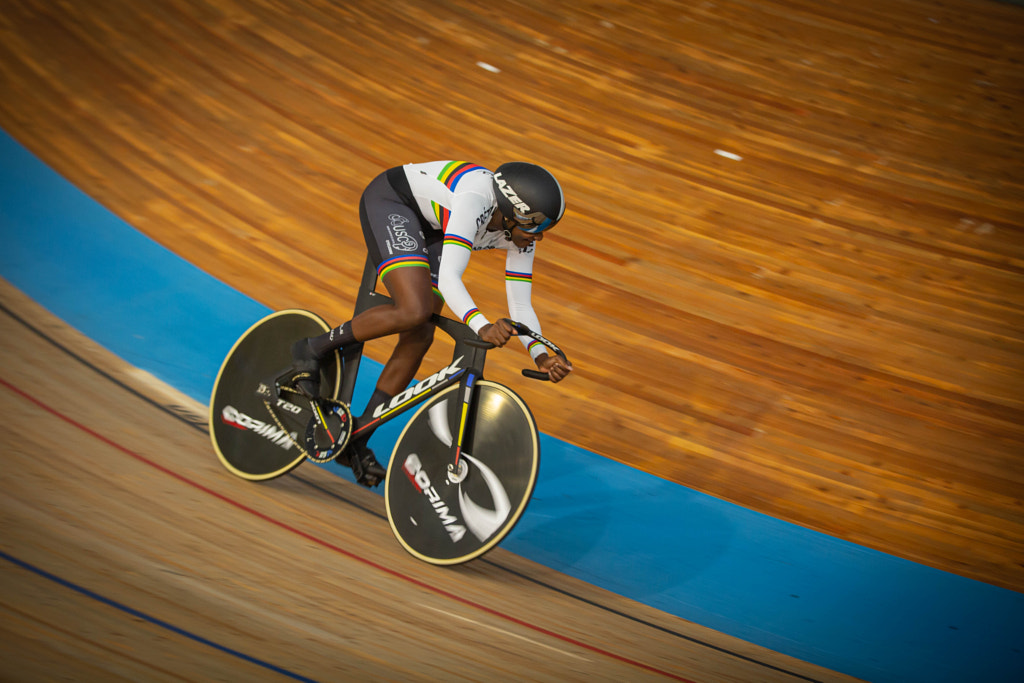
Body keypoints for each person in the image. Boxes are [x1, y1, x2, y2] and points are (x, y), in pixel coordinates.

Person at [291, 160, 573, 485]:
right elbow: (451, 278)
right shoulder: (474, 200)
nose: (540, 237)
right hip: (395, 203)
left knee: (420, 335)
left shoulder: (522, 233)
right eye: (535, 227)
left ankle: (358, 436)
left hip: (436, 226)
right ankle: (311, 348)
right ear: (511, 213)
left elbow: (521, 303)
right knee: (414, 310)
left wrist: (541, 355)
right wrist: (482, 326)